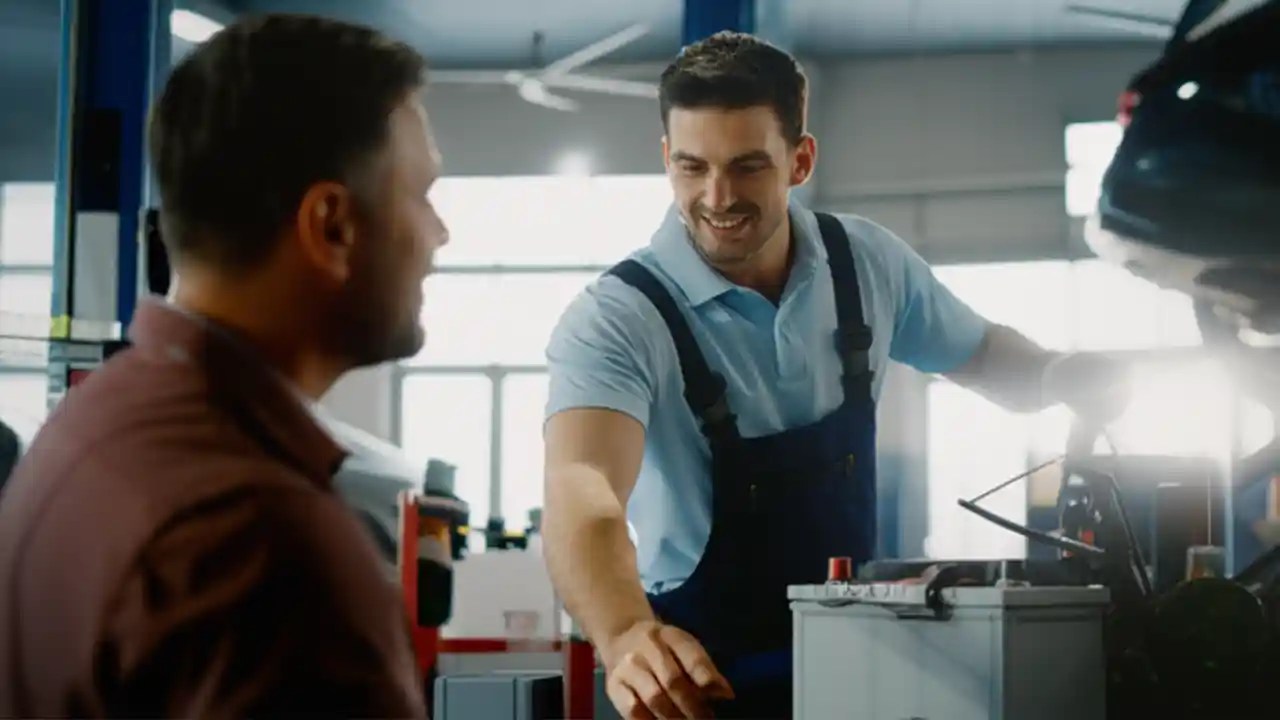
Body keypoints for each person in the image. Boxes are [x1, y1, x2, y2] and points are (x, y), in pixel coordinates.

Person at [541, 31, 1130, 720]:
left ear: (801, 160)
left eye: (748, 166)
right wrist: (624, 632)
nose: (717, 196)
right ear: (666, 158)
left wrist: (1061, 373)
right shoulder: (617, 318)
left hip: (862, 668)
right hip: (698, 683)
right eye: (693, 167)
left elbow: (984, 356)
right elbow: (582, 491)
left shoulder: (867, 265)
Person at [0, 15, 446, 719]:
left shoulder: (94, 427)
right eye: (420, 194)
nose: (439, 234)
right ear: (330, 225)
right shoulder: (266, 552)